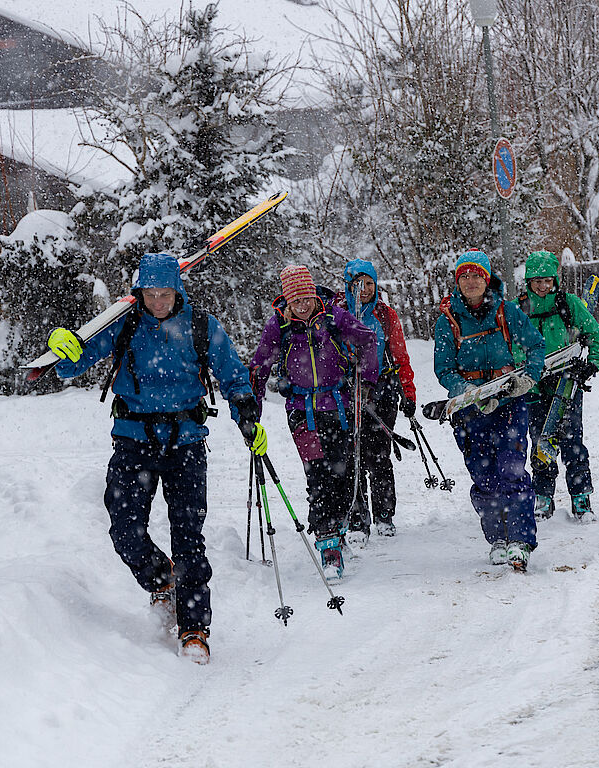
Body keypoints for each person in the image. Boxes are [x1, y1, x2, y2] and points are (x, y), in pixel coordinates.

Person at [46, 253, 266, 664]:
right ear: (139, 293)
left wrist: (246, 414)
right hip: (133, 442)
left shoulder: (202, 326)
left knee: (188, 538)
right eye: (151, 294)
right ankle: (162, 580)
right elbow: (71, 366)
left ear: (177, 291)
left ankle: (195, 629)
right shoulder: (124, 325)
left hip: (186, 443)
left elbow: (234, 375)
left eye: (166, 293)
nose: (159, 301)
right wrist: (65, 347)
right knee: (124, 530)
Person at [248, 265, 378, 580]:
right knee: (319, 475)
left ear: (313, 293)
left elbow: (368, 340)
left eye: (306, 297)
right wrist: (251, 410)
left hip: (339, 407)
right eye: (296, 300)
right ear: (287, 301)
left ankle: (339, 527)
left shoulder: (334, 318)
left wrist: (366, 378)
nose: (302, 305)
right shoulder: (278, 326)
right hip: (301, 411)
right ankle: (328, 543)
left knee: (344, 473)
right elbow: (259, 364)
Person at [433, 250, 546, 571]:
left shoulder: (507, 312)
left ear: (487, 279)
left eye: (476, 276)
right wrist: (467, 393)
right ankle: (497, 537)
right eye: (464, 277)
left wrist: (528, 378)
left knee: (512, 469)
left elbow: (536, 346)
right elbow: (444, 368)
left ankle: (520, 540)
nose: (471, 282)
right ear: (457, 282)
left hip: (509, 401)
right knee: (483, 474)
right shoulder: (448, 321)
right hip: (469, 409)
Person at [515, 250, 599, 521]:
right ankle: (543, 496)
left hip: (567, 384)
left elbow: (593, 333)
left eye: (548, 281)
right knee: (540, 441)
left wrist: (593, 363)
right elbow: (510, 345)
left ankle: (581, 496)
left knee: (572, 440)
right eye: (537, 281)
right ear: (528, 282)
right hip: (532, 386)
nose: (543, 287)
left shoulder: (570, 304)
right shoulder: (519, 310)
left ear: (555, 280)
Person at [335, 259, 418, 543]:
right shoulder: (336, 313)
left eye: (370, 283)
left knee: (378, 453)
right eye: (358, 284)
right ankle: (358, 519)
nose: (365, 289)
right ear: (348, 285)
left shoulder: (385, 315)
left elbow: (400, 355)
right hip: (346, 391)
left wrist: (408, 392)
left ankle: (384, 514)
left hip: (382, 390)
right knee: (352, 454)